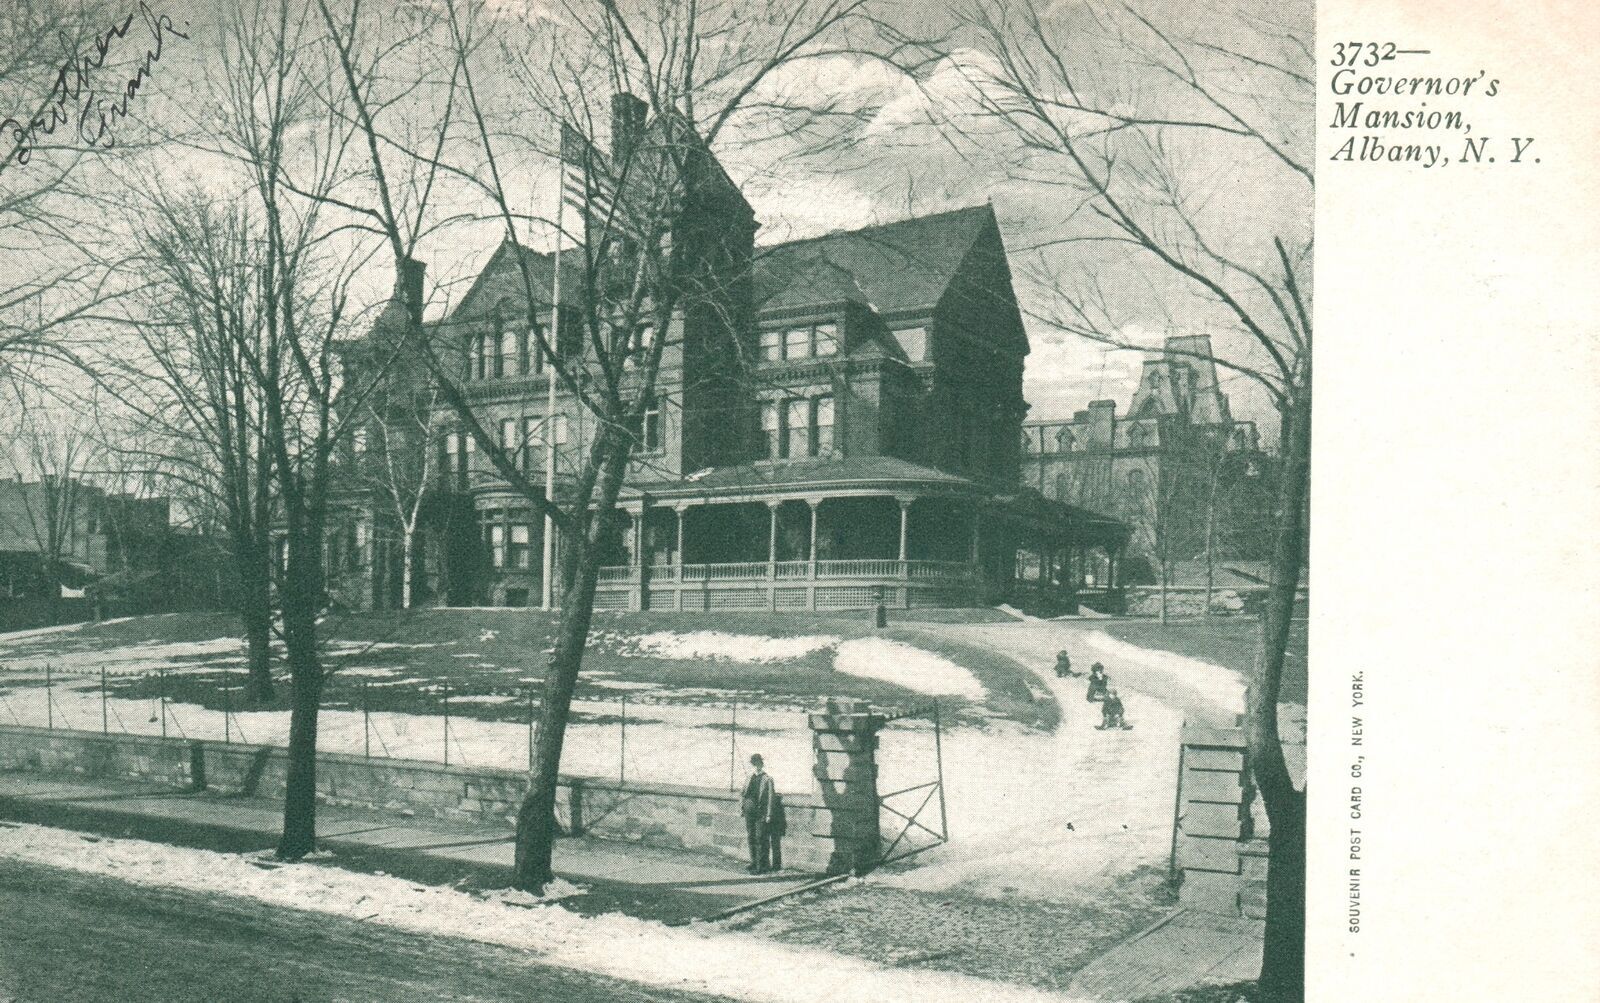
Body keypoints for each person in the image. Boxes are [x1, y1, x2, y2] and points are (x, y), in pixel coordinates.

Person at [740, 753, 776, 873]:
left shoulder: (767, 779)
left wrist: (769, 814)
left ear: (761, 764)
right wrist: (742, 807)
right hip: (749, 811)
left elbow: (770, 798)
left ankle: (761, 866)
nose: (756, 766)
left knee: (760, 837)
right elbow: (743, 793)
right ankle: (753, 862)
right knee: (751, 836)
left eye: (758, 764)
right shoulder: (749, 777)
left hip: (761, 812)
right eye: (754, 764)